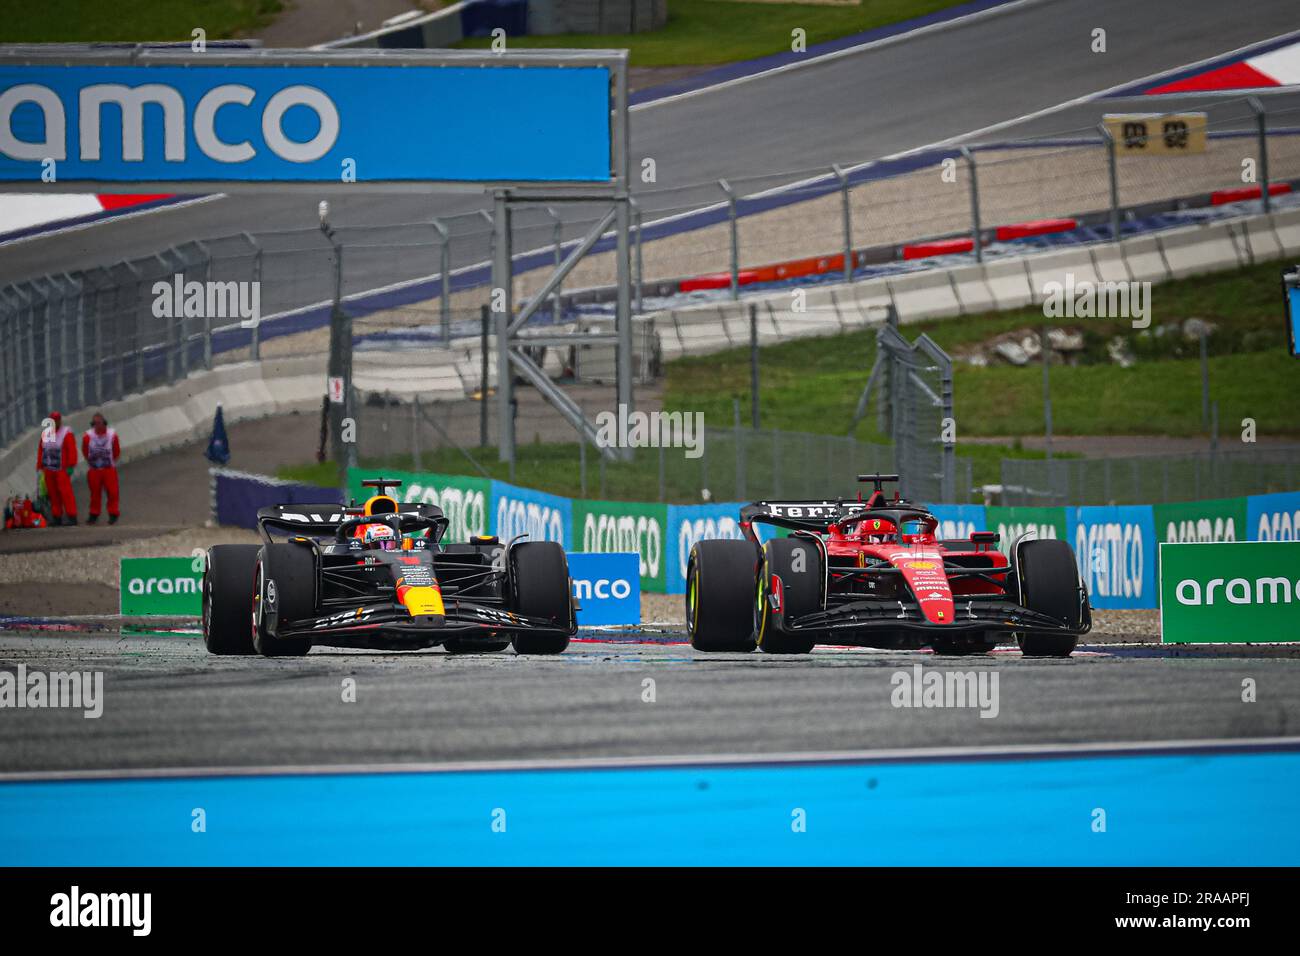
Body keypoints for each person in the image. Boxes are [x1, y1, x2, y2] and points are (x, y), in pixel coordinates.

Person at [36, 411, 78, 526]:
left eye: (57, 420)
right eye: (53, 420)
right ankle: (57, 516)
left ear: (60, 420)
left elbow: (72, 450)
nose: (55, 422)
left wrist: (71, 465)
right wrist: (40, 466)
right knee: (53, 494)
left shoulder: (66, 433)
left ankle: (71, 516)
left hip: (62, 469)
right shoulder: (45, 434)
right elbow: (41, 450)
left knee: (65, 493)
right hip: (49, 470)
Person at [82, 412, 121, 525]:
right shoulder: (87, 436)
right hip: (94, 470)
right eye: (95, 423)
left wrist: (108, 461)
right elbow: (85, 451)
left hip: (108, 469)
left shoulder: (112, 435)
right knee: (95, 493)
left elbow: (116, 451)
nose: (97, 426)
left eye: (99, 423)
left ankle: (113, 513)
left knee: (112, 492)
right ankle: (94, 514)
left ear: (104, 423)